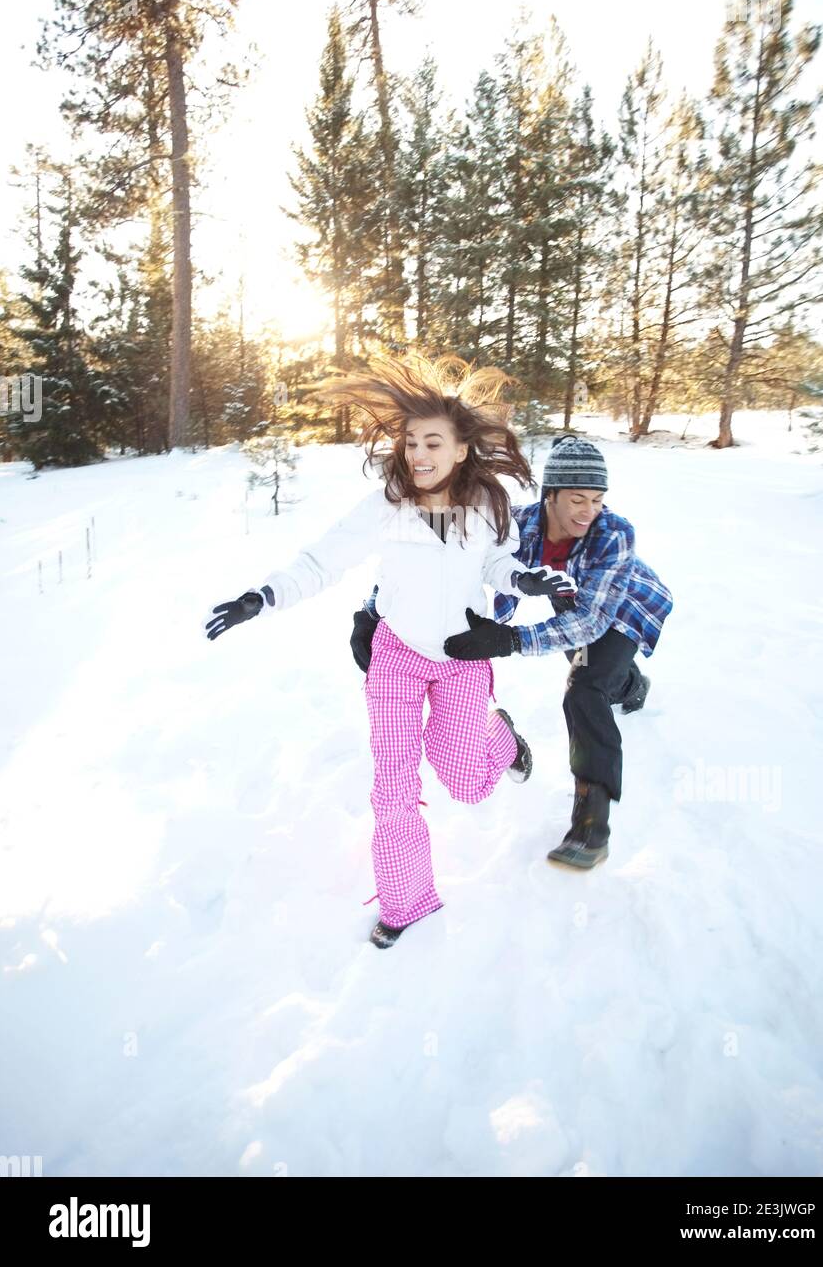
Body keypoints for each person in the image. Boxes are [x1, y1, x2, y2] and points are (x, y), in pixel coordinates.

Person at [204, 354, 577, 948]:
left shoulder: (486, 505)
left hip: (460, 655)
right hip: (397, 658)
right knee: (392, 786)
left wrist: (525, 581)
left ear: (460, 450)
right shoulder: (386, 506)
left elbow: (496, 561)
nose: (419, 454)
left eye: (433, 442)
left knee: (465, 779)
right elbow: (322, 560)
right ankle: (407, 901)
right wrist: (263, 596)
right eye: (410, 442)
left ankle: (500, 737)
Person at [351, 436, 673, 870]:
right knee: (602, 674)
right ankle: (631, 685)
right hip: (571, 600)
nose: (588, 511)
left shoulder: (613, 534)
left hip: (625, 606)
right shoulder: (519, 524)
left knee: (586, 687)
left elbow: (592, 623)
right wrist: (374, 612)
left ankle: (592, 827)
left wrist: (511, 640)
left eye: (597, 500)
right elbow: (440, 562)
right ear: (550, 495)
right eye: (577, 499)